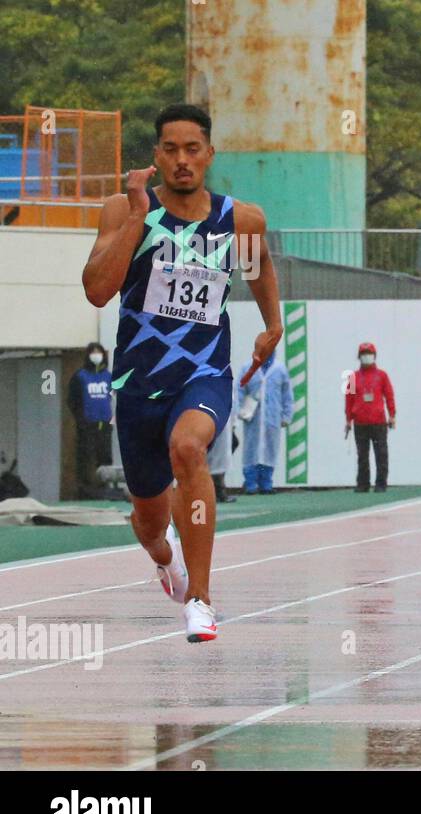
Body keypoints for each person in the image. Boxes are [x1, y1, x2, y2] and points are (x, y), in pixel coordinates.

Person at [80, 103, 282, 643]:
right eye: (170, 149)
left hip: (204, 371)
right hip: (138, 382)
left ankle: (201, 598)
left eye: (193, 149)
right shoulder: (122, 212)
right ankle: (166, 559)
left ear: (210, 155)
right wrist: (138, 215)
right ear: (156, 156)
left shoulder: (239, 220)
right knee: (148, 520)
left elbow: (257, 267)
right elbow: (98, 289)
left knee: (190, 449)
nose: (182, 160)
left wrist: (272, 325)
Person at [238, 350, 294, 495]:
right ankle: (250, 484)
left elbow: (287, 395)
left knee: (270, 449)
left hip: (272, 418)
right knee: (251, 449)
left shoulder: (280, 369)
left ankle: (266, 484)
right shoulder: (247, 368)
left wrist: (287, 416)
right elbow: (239, 390)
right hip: (253, 417)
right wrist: (239, 410)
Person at [345, 341, 396, 492]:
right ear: (359, 357)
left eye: (369, 354)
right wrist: (348, 420)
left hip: (378, 422)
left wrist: (392, 415)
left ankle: (381, 484)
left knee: (381, 454)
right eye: (364, 354)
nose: (367, 357)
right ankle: (363, 484)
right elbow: (349, 399)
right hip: (360, 422)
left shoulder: (382, 376)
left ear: (374, 356)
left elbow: (389, 396)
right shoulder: (353, 377)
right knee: (362, 456)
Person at [66, 342, 114, 499]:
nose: (96, 355)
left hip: (105, 424)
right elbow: (72, 400)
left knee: (105, 457)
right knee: (85, 457)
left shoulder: (108, 376)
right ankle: (84, 489)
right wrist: (81, 419)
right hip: (87, 424)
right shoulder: (80, 376)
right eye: (93, 352)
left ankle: (105, 489)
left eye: (98, 352)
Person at [206, 376, 238, 503]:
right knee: (216, 458)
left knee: (223, 455)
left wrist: (234, 423)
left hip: (225, 423)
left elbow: (233, 402)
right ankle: (218, 491)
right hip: (215, 422)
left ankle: (218, 490)